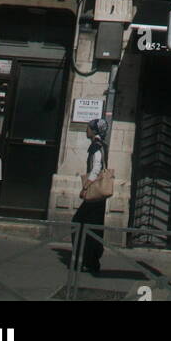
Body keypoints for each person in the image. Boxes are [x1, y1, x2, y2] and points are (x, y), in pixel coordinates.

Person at [71, 117, 109, 274]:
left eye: (88, 128)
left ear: (94, 131)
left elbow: (96, 169)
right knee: (92, 227)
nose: (86, 130)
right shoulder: (101, 145)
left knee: (78, 222)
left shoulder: (96, 146)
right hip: (98, 196)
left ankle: (85, 259)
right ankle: (90, 261)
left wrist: (85, 187)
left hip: (94, 193)